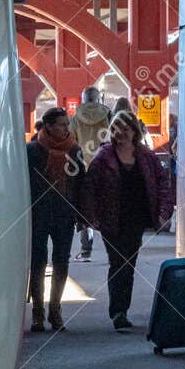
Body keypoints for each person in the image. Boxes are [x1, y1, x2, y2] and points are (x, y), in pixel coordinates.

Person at [84, 108, 174, 331]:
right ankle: (118, 312)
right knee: (118, 263)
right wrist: (92, 217)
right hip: (111, 219)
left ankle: (123, 308)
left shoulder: (146, 157)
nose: (121, 133)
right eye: (116, 128)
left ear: (134, 131)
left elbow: (162, 184)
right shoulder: (103, 158)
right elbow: (90, 188)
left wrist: (164, 212)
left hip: (135, 219)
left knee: (128, 263)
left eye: (125, 128)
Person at [26, 106, 85, 333]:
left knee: (62, 261)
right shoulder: (32, 151)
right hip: (38, 213)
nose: (66, 128)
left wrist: (81, 214)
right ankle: (38, 313)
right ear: (49, 126)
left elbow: (80, 183)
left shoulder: (74, 150)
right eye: (62, 124)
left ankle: (55, 310)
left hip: (64, 214)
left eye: (67, 124)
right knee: (38, 262)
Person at [70, 86, 112, 258]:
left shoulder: (75, 118)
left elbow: (72, 142)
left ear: (83, 99)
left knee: (84, 206)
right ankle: (112, 249)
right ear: (98, 98)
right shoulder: (108, 115)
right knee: (107, 206)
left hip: (83, 167)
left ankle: (86, 248)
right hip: (105, 166)